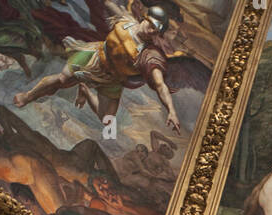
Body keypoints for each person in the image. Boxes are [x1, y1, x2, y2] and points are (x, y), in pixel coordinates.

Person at [14, 2, 184, 134]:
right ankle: (28, 96)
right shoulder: (126, 21)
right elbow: (108, 3)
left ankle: (86, 91)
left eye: (156, 31)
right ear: (145, 18)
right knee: (61, 80)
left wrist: (172, 111)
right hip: (94, 56)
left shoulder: (149, 54)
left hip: (112, 79)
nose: (151, 31)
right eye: (151, 25)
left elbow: (160, 85)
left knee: (107, 121)